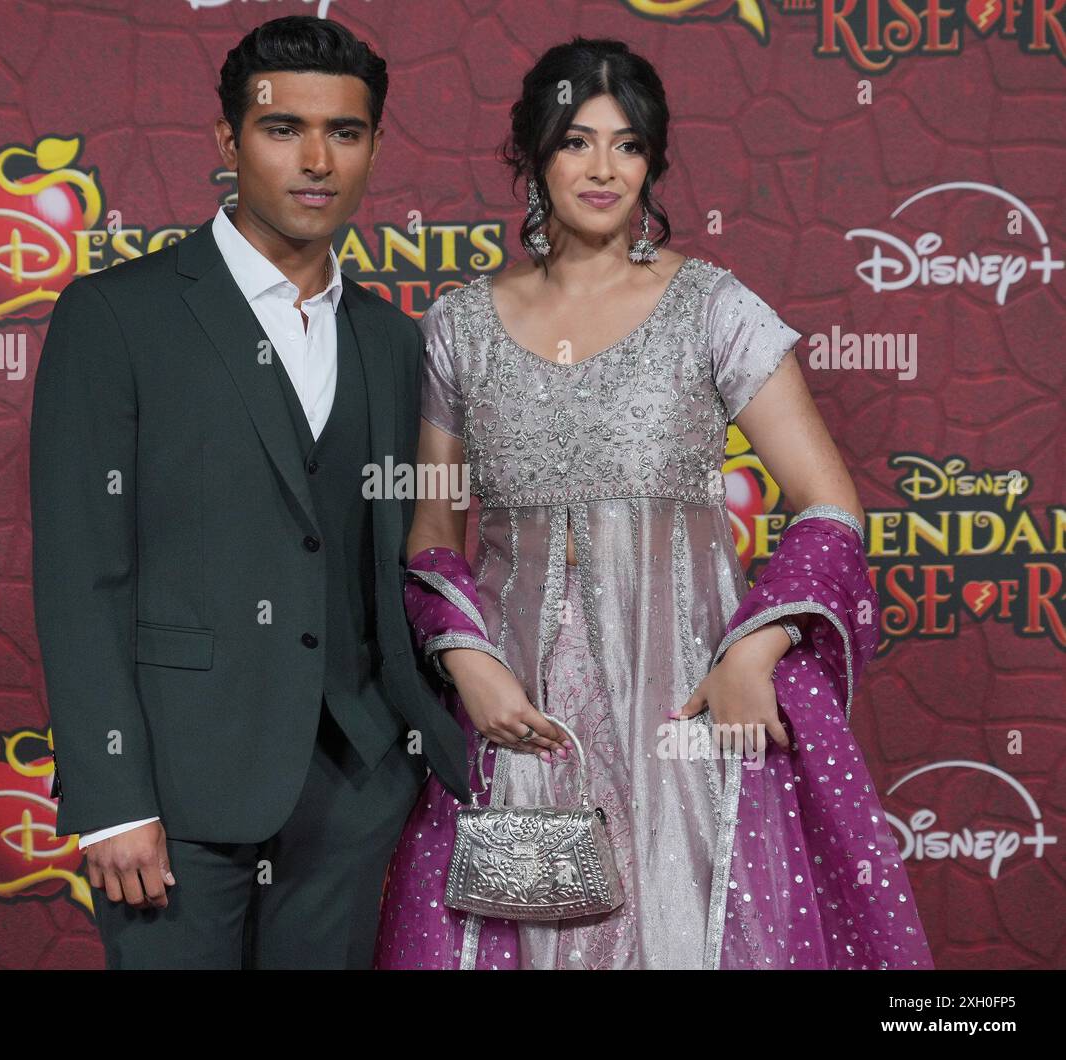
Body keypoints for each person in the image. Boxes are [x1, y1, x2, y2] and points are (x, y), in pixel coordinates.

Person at [373, 37, 934, 970]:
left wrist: (755, 652)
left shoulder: (713, 310)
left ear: (654, 162)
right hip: (525, 715)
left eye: (627, 145)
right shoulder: (459, 328)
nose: (602, 169)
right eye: (576, 142)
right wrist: (469, 664)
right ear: (533, 155)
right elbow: (433, 530)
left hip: (691, 705)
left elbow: (829, 504)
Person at [29, 15, 470, 969]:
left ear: (374, 147)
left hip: (354, 790)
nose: (317, 160)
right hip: (176, 794)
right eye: (283, 130)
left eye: (345, 134)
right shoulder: (116, 316)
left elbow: (402, 553)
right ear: (229, 142)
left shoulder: (393, 341)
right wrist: (114, 799)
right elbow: (81, 578)